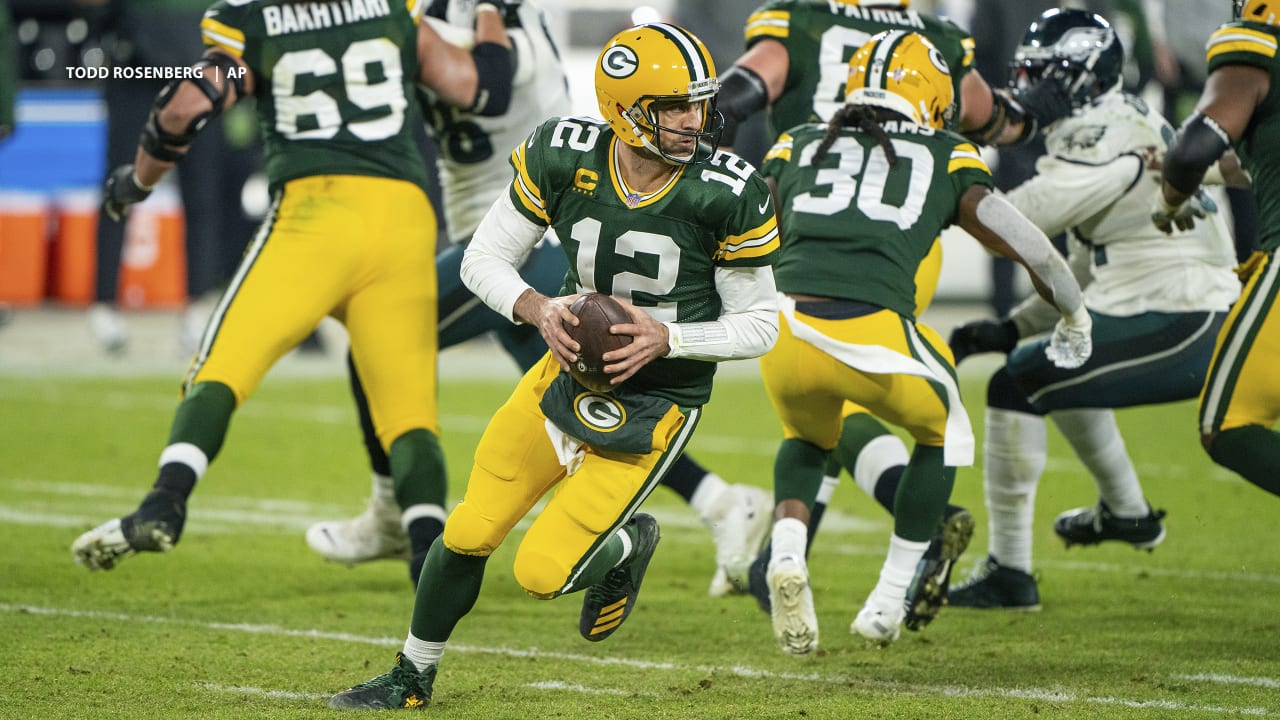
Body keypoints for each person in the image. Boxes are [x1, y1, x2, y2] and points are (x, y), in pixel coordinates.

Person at [327, 22, 780, 709]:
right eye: (676, 108)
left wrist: (669, 337)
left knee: (541, 572)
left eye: (699, 103)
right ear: (626, 113)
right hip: (565, 372)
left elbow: (761, 324)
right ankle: (411, 675)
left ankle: (626, 548)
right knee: (470, 529)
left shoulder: (726, 190)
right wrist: (538, 309)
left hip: (660, 401)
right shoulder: (565, 155)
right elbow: (483, 260)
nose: (697, 120)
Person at [70, 0, 518, 576]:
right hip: (402, 222)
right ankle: (429, 552)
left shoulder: (252, 21)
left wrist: (135, 181)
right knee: (407, 413)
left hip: (315, 216)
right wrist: (489, 13)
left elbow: (185, 109)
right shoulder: (390, 11)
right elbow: (478, 88)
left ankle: (166, 501)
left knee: (222, 366)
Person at [717, 0, 1075, 615]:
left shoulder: (803, 21)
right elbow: (997, 123)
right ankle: (845, 547)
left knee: (817, 388)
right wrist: (1045, 103)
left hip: (807, 219)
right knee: (857, 383)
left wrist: (704, 157)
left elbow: (742, 90)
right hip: (908, 230)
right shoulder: (933, 37)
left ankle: (787, 553)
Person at [939, 8, 1242, 611]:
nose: (1026, 88)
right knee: (1056, 361)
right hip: (1178, 310)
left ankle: (1011, 571)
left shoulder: (1097, 133)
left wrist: (945, 193)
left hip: (1182, 318)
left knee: (1017, 383)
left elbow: (1032, 214)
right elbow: (1083, 264)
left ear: (1081, 78)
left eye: (1041, 74)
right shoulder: (1118, 118)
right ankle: (1127, 515)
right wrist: (1012, 326)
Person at [74, 0, 259, 356]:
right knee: (122, 188)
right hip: (136, 69)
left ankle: (196, 304)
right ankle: (105, 303)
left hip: (199, 70)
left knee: (201, 194)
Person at [1153, 0, 1280, 498]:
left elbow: (1193, 149)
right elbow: (1251, 162)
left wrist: (1169, 198)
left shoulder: (1256, 45)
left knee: (1227, 423)